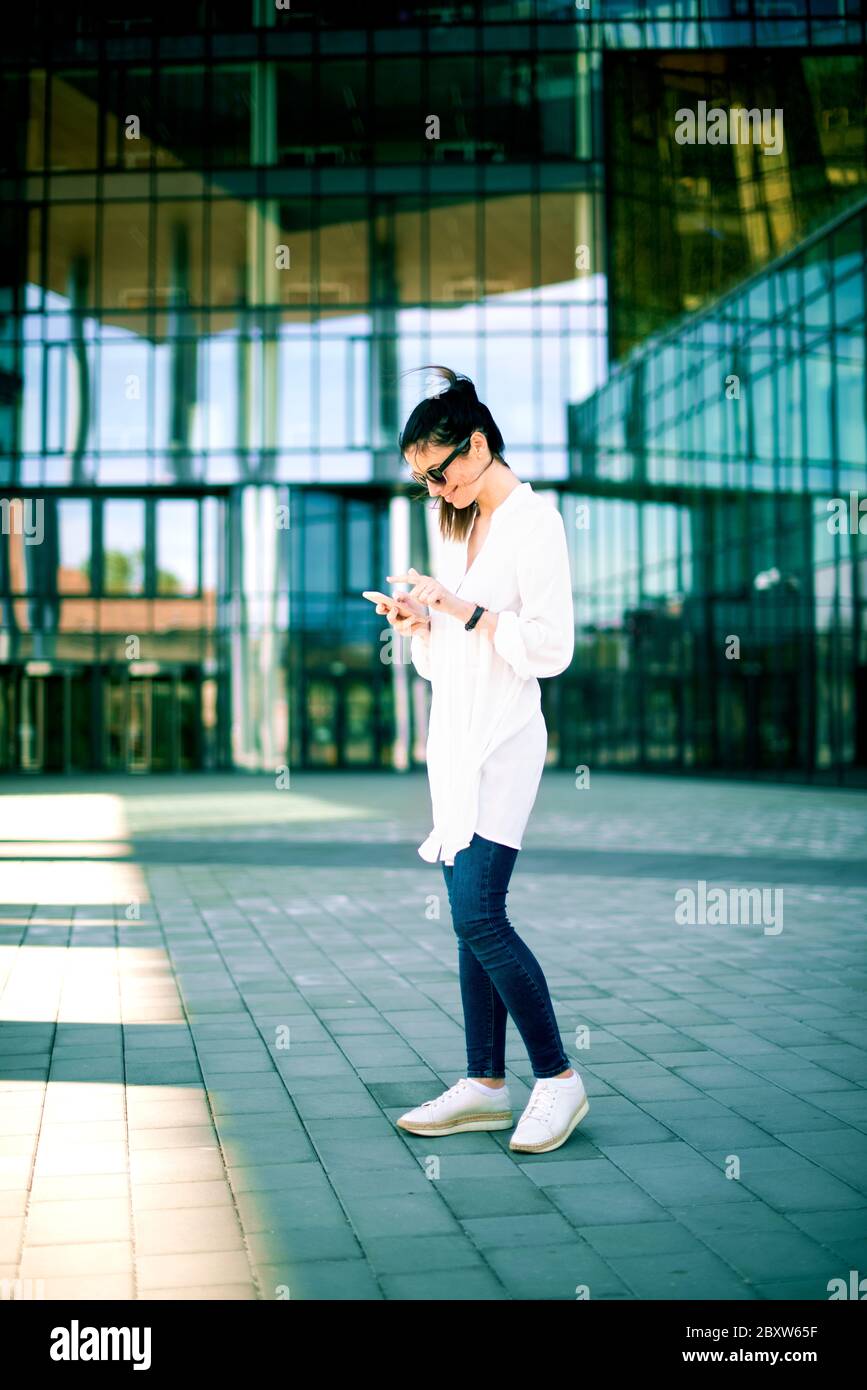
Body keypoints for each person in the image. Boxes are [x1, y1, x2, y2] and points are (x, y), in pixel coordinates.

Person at [375, 365, 589, 1155]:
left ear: (477, 443)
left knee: (478, 914)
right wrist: (420, 625)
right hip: (453, 744)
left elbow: (551, 649)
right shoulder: (455, 526)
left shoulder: (537, 523)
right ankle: (484, 1085)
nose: (434, 491)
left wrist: (462, 607)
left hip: (503, 742)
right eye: (422, 483)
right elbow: (449, 662)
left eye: (439, 472)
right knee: (468, 926)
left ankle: (559, 1082)